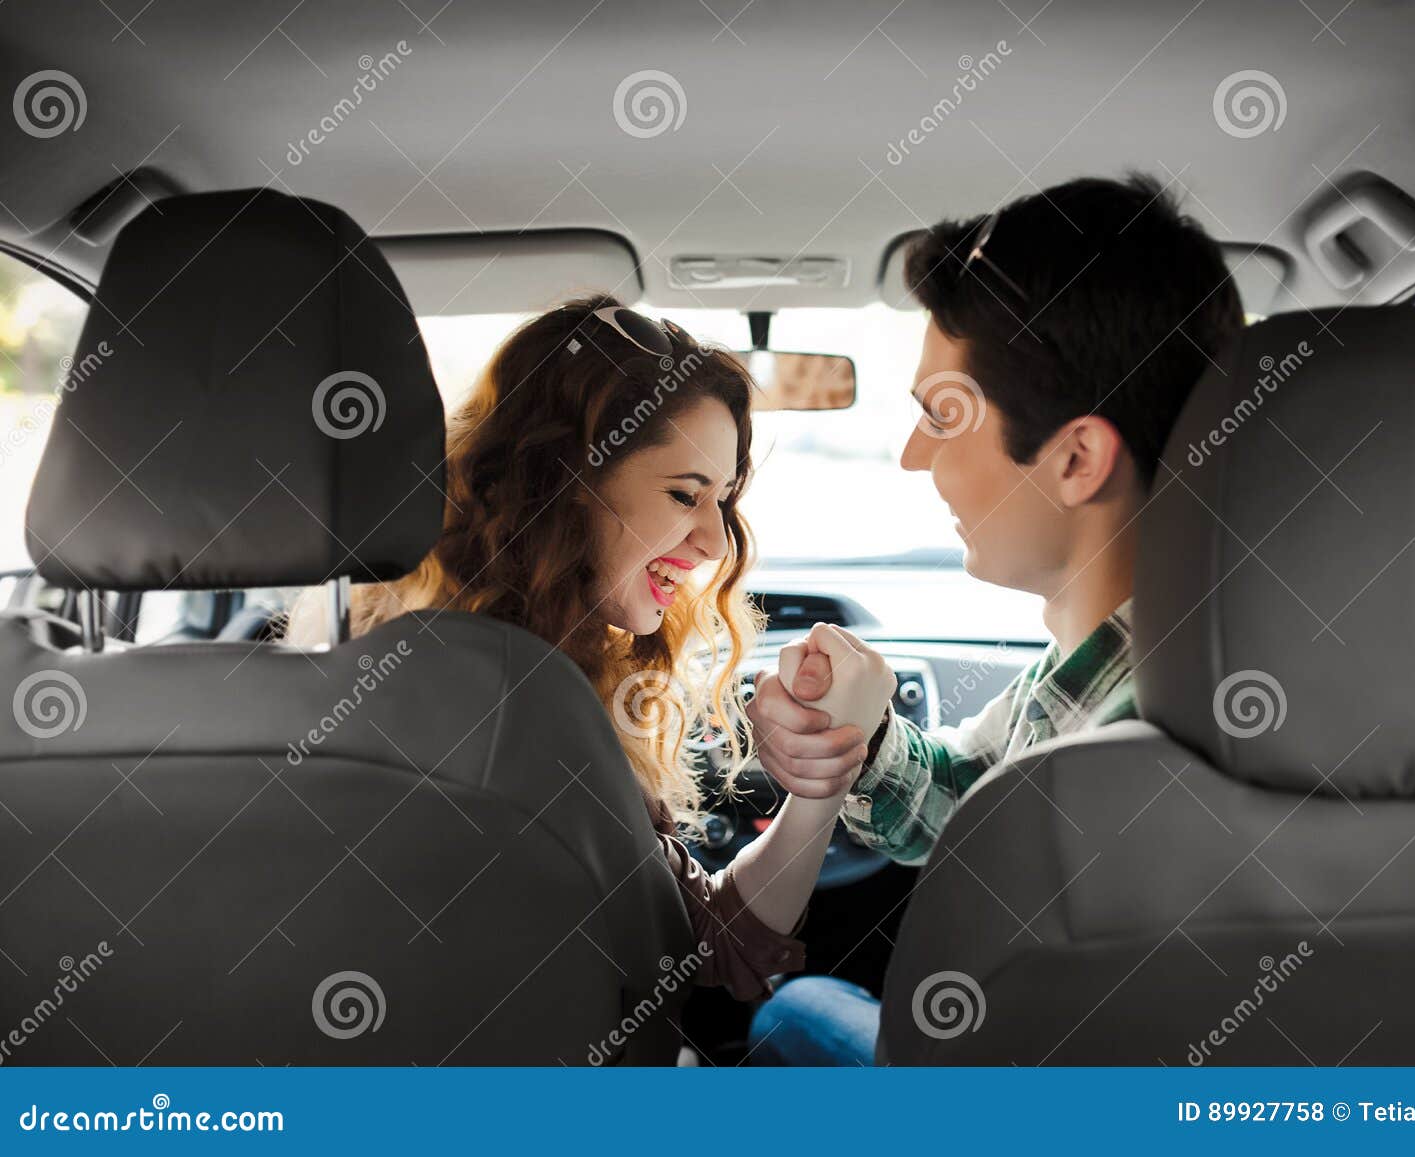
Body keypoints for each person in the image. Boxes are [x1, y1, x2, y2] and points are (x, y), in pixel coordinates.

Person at [744, 174, 1246, 1064]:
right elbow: (974, 790)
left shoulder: (1108, 762)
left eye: (942, 414)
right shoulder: (1155, 661)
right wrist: (860, 738)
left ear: (1078, 457)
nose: (910, 454)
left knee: (793, 1012)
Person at [285, 295, 868, 1006]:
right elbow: (707, 952)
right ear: (563, 484)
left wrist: (817, 789)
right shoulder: (543, 706)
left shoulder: (343, 665)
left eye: (725, 500)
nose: (717, 543)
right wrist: (821, 792)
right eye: (687, 494)